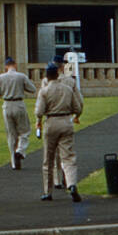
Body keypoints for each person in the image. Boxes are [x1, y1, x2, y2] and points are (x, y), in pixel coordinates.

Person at [35, 62, 84, 202]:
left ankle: (47, 191)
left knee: (48, 159)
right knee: (68, 157)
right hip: (66, 121)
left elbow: (39, 111)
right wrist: (76, 117)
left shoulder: (44, 91)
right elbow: (78, 108)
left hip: (51, 122)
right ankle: (72, 184)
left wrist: (38, 121)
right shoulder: (67, 89)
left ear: (47, 76)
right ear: (57, 74)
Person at [0, 56, 37, 169]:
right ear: (15, 64)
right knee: (24, 131)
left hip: (7, 105)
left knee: (11, 135)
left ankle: (14, 162)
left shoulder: (1, 77)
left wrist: (5, 90)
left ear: (5, 66)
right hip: (19, 104)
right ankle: (20, 151)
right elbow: (32, 89)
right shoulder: (21, 76)